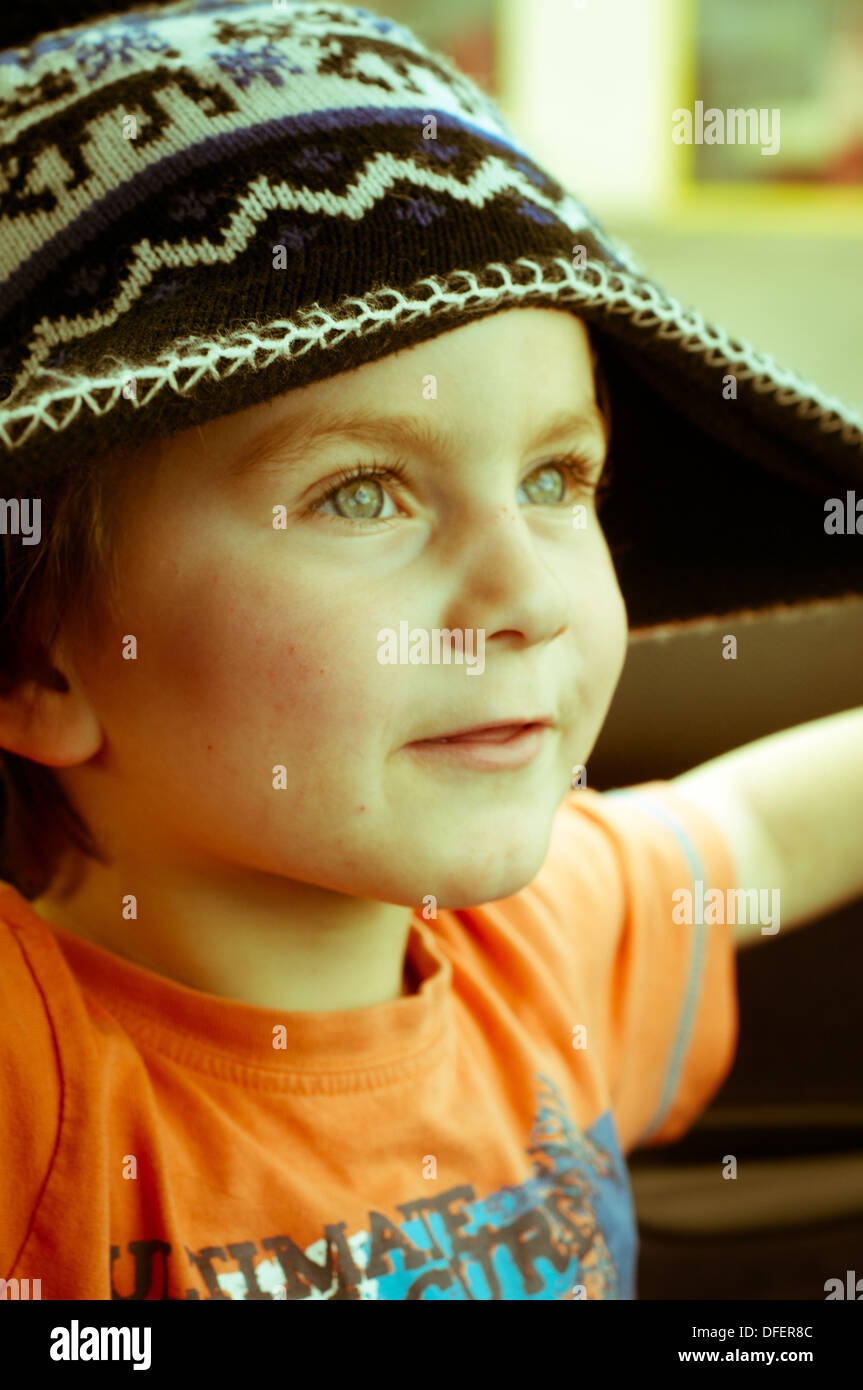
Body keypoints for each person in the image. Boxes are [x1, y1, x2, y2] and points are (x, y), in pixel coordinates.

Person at [0, 0, 861, 1301]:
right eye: (363, 494)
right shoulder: (38, 1077)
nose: (527, 590)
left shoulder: (535, 947)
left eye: (560, 478)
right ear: (39, 667)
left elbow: (757, 828)